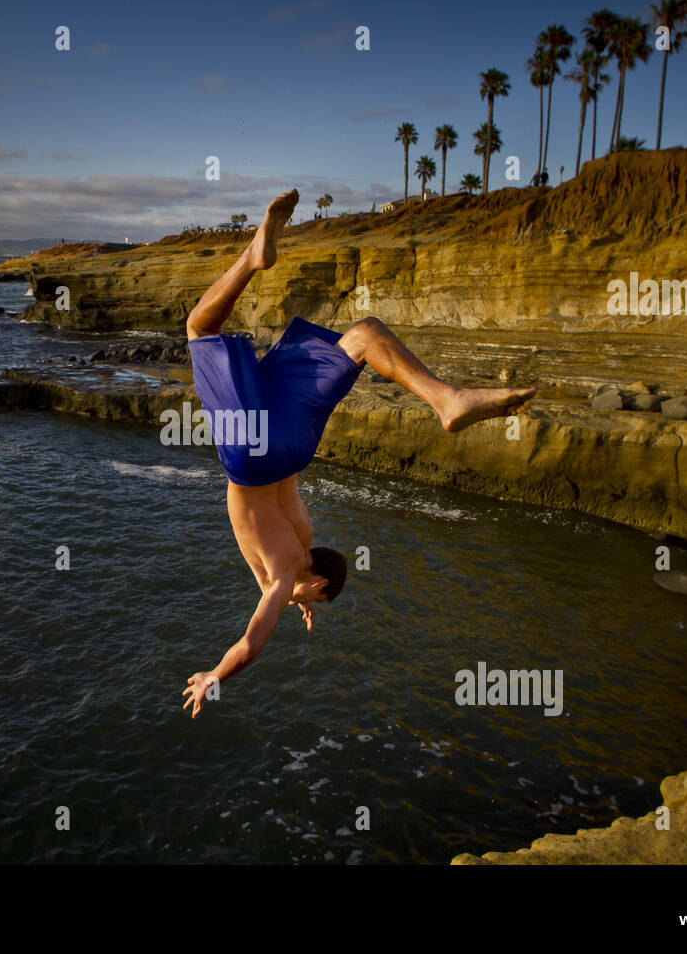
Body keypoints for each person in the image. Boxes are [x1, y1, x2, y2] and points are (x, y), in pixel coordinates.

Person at [180, 189, 536, 717]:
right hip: (255, 453)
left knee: (364, 335)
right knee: (198, 328)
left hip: (295, 449)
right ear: (315, 581)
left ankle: (446, 398)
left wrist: (303, 601)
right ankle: (254, 258)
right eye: (315, 598)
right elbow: (252, 641)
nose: (303, 602)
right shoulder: (280, 575)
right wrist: (215, 674)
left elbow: (280, 575)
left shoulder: (302, 536)